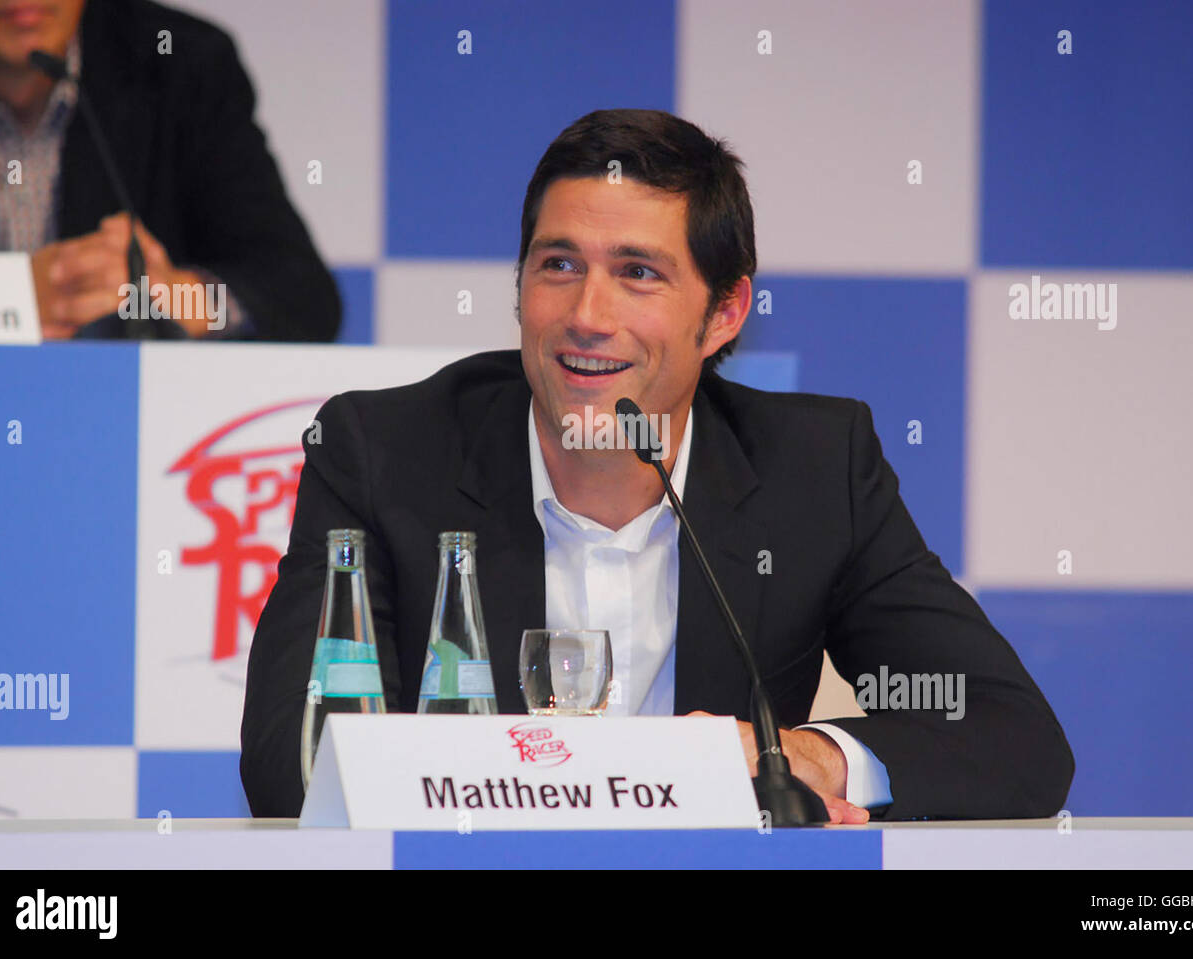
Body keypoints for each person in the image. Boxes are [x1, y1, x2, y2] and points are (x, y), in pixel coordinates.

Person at [241, 109, 1074, 821]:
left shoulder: (815, 470)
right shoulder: (383, 452)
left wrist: (815, 755)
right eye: (558, 264)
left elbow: (1013, 736)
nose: (586, 316)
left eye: (638, 273)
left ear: (724, 313)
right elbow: (291, 765)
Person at [0, 0, 339, 340]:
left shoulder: (179, 61)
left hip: (122, 401)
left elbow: (303, 298)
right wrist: (6, 298)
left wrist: (178, 298)